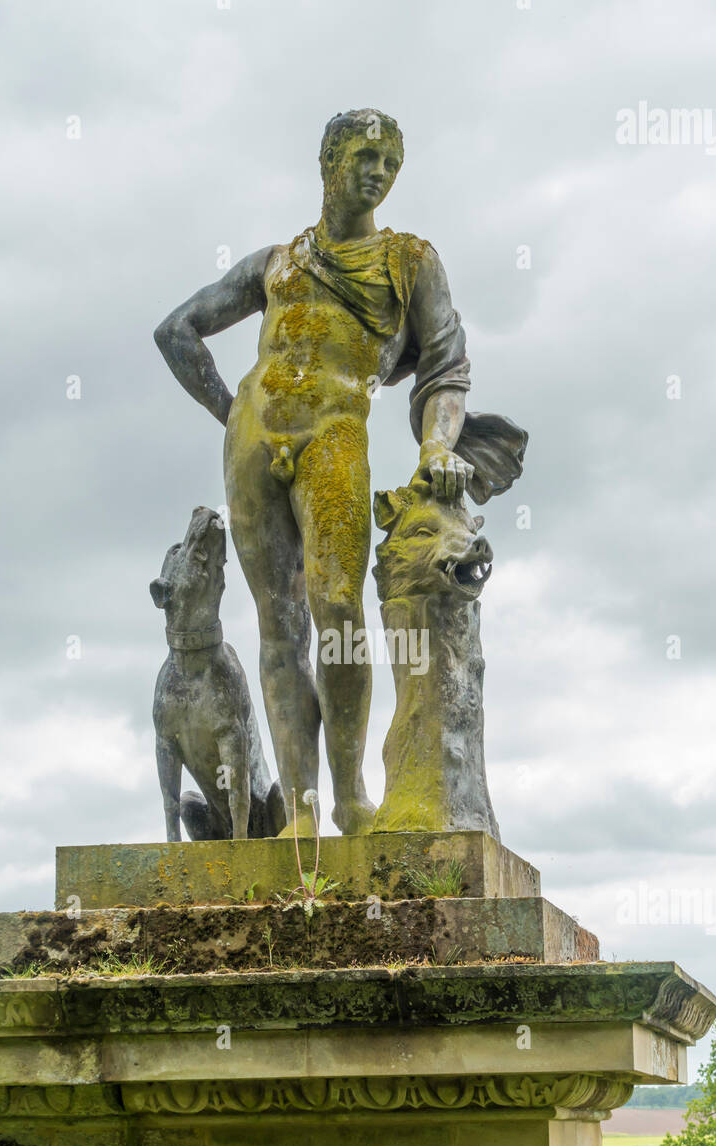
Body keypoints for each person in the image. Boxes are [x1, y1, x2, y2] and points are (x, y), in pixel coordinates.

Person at [154, 108, 526, 835]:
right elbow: (176, 331)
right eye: (363, 155)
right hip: (253, 441)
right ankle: (299, 810)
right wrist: (233, 412)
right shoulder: (275, 262)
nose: (378, 171)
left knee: (337, 608)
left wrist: (436, 448)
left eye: (390, 162)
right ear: (327, 162)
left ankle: (350, 793)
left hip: (335, 431)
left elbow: (448, 366)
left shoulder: (409, 259)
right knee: (277, 625)